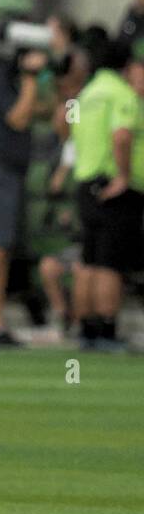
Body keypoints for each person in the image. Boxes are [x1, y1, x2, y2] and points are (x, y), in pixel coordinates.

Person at [68, 41, 144, 352]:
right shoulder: (121, 94)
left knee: (89, 259)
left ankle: (85, 329)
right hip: (113, 184)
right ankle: (107, 331)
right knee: (110, 263)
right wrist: (123, 176)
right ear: (126, 66)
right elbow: (122, 135)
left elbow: (68, 128)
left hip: (86, 182)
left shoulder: (86, 95)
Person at [0, 44, 49, 347]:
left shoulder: (13, 80)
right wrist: (31, 77)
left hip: (11, 172)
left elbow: (43, 109)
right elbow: (17, 118)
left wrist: (41, 78)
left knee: (3, 248)